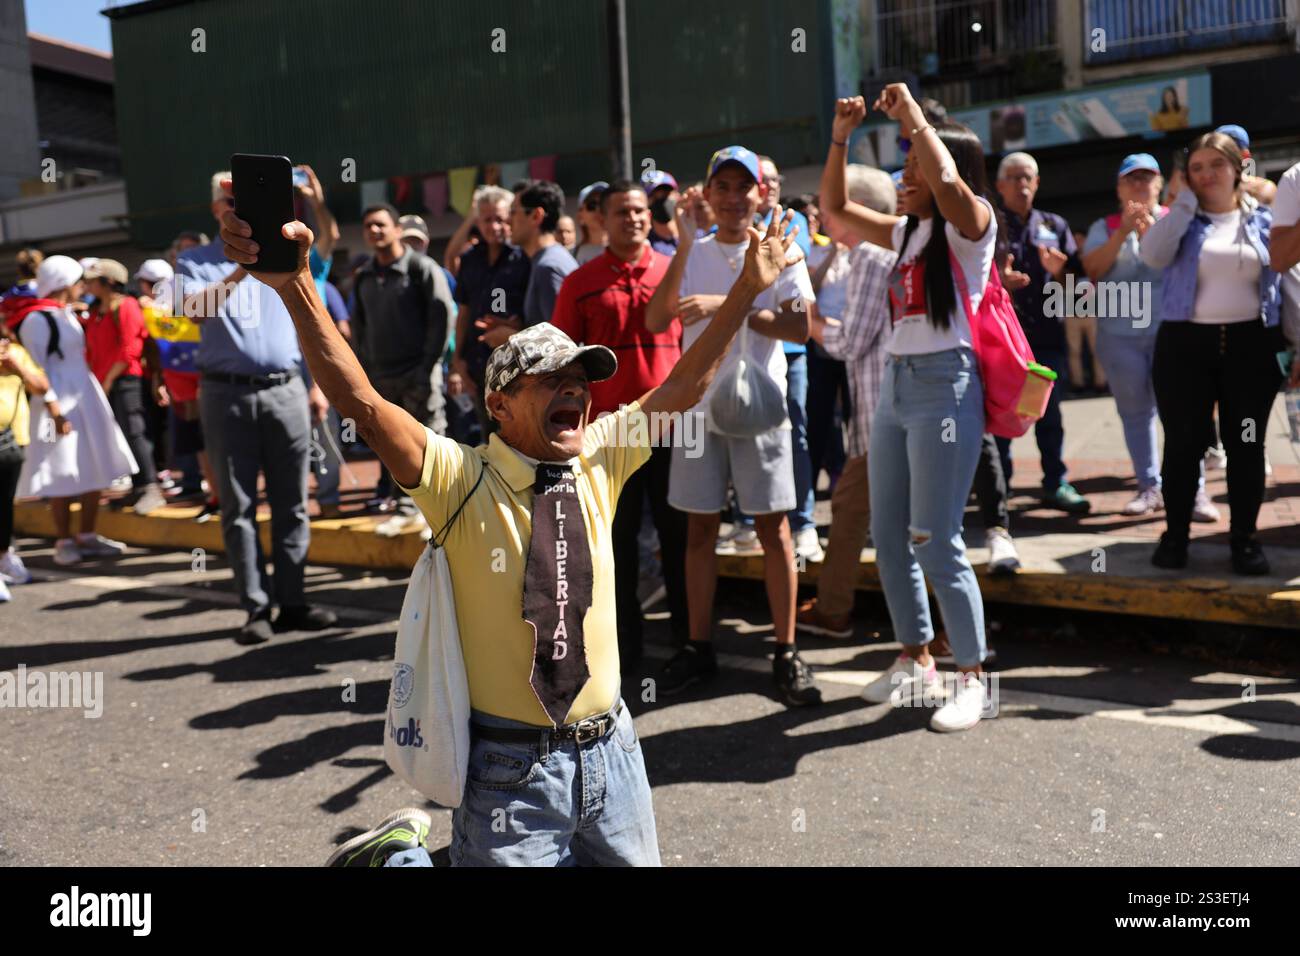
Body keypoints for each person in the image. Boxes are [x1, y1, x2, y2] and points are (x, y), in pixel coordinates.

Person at [218, 178, 797, 867]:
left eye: (581, 379)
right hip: (510, 772)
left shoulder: (602, 457)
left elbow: (682, 388)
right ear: (499, 405)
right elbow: (363, 404)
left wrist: (745, 292)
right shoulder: (460, 479)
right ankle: (398, 858)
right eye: (552, 380)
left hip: (614, 756)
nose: (575, 391)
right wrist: (293, 286)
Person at [823, 87, 998, 732]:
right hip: (896, 387)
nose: (906, 177)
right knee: (889, 534)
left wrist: (914, 118)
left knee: (935, 537)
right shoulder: (903, 232)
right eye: (903, 169)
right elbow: (836, 208)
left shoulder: (971, 226)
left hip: (944, 387)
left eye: (914, 168)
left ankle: (975, 677)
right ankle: (915, 658)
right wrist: (842, 134)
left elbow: (950, 179)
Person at [645, 145, 821, 708]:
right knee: (698, 533)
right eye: (721, 186)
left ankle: (786, 651)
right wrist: (679, 242)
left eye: (741, 187)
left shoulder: (781, 251)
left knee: (775, 532)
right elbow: (655, 318)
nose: (731, 197)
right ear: (707, 193)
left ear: (760, 193)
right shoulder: (690, 250)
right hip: (696, 411)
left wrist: (732, 304)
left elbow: (801, 328)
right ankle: (699, 646)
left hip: (759, 407)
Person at [178, 172, 336, 643]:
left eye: (244, 201)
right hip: (225, 393)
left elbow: (315, 301)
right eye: (230, 201)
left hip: (285, 388)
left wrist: (316, 385)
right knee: (238, 506)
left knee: (293, 503)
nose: (238, 209)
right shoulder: (193, 260)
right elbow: (192, 311)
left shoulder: (285, 257)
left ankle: (292, 602)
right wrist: (243, 266)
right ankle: (256, 608)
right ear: (215, 209)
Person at [550, 178, 688, 670]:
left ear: (649, 217)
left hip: (674, 428)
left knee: (680, 541)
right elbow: (563, 364)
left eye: (639, 210)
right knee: (615, 546)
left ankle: (688, 643)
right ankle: (622, 647)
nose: (632, 218)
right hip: (609, 435)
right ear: (600, 220)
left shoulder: (677, 271)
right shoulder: (579, 283)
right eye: (621, 212)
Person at [1140, 132, 1286, 575]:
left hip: (1251, 348)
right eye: (1196, 168)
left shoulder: (1263, 218)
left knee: (1245, 444)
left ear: (1238, 167)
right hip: (1185, 348)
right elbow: (1152, 255)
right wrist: (1182, 204)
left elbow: (1288, 276)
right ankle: (1175, 537)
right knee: (1183, 445)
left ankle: (1244, 540)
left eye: (1215, 165)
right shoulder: (1180, 219)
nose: (1205, 175)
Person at [1081, 154, 1220, 521]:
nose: (1140, 185)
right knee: (1135, 413)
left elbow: (1185, 266)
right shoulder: (1103, 226)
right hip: (1119, 338)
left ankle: (1196, 492)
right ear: (1119, 188)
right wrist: (1123, 232)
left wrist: (1148, 234)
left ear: (1160, 185)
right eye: (1132, 179)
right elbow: (1092, 268)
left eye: (1147, 179)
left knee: (1183, 415)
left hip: (1170, 334)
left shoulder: (1175, 222)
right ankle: (1149, 486)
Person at [797, 165, 896, 638]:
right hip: (885, 415)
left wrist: (810, 320)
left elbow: (849, 344)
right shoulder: (877, 252)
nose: (825, 213)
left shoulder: (870, 256)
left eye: (834, 203)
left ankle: (837, 612)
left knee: (856, 510)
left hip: (883, 416)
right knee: (864, 513)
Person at [8, 256, 134, 566]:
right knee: (61, 470)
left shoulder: (66, 314)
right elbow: (36, 367)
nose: (82, 286)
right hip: (57, 402)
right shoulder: (38, 320)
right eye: (78, 281)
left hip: (84, 394)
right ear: (65, 284)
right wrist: (54, 409)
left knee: (94, 463)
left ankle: (87, 536)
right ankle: (64, 540)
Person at [349, 202, 455, 534]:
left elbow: (442, 318)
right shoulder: (363, 277)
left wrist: (427, 368)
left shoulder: (422, 269)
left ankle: (439, 511)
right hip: (382, 379)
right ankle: (405, 507)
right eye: (368, 226)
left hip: (419, 374)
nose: (374, 231)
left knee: (430, 441)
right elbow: (360, 328)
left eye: (381, 224)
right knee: (393, 445)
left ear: (397, 230)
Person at [994, 151, 1090, 515]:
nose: (1022, 184)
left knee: (1047, 415)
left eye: (1028, 177)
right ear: (1000, 184)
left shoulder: (1054, 224)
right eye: (1014, 177)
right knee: (1002, 414)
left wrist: (1062, 271)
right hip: (1004, 341)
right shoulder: (988, 223)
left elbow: (1075, 289)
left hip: (1045, 339)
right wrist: (1000, 282)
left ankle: (1055, 482)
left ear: (1037, 183)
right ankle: (998, 487)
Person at [756, 155, 821, 561]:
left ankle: (804, 524)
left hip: (790, 353)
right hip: (744, 355)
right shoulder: (717, 233)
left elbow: (799, 306)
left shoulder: (795, 229)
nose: (772, 185)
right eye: (764, 179)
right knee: (746, 436)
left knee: (793, 434)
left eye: (776, 178)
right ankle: (748, 525)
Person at [82, 259, 167, 516]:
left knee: (135, 432)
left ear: (108, 282)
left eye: (92, 280)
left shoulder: (127, 307)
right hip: (106, 383)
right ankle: (140, 486)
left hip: (127, 380)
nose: (87, 285)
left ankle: (151, 489)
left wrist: (107, 380)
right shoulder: (97, 311)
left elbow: (130, 349)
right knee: (124, 433)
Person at [449, 186, 530, 429]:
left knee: (520, 434)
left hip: (518, 367)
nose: (494, 226)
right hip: (478, 367)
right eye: (486, 220)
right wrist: (458, 360)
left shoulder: (524, 257)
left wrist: (515, 326)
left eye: (500, 219)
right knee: (490, 438)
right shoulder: (469, 259)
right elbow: (463, 310)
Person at [0, 323, 50, 600]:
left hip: (12, 439)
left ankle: (5, 557)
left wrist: (16, 367)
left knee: (5, 503)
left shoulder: (17, 352)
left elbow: (42, 386)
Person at [511, 181, 578, 330]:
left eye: (513, 211)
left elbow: (563, 341)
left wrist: (510, 337)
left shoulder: (548, 267)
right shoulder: (546, 261)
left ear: (536, 216)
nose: (508, 220)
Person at [1216, 125, 1278, 206]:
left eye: (1229, 151)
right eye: (1216, 152)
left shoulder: (1263, 189)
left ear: (1245, 155)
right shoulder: (1201, 190)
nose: (1222, 157)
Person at [642, 170, 680, 256]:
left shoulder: (695, 234)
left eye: (665, 194)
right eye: (654, 197)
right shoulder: (645, 246)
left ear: (677, 196)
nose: (661, 201)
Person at [573, 181, 609, 264]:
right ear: (580, 215)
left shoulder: (625, 251)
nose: (598, 209)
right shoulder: (569, 255)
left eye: (604, 204)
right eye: (592, 205)